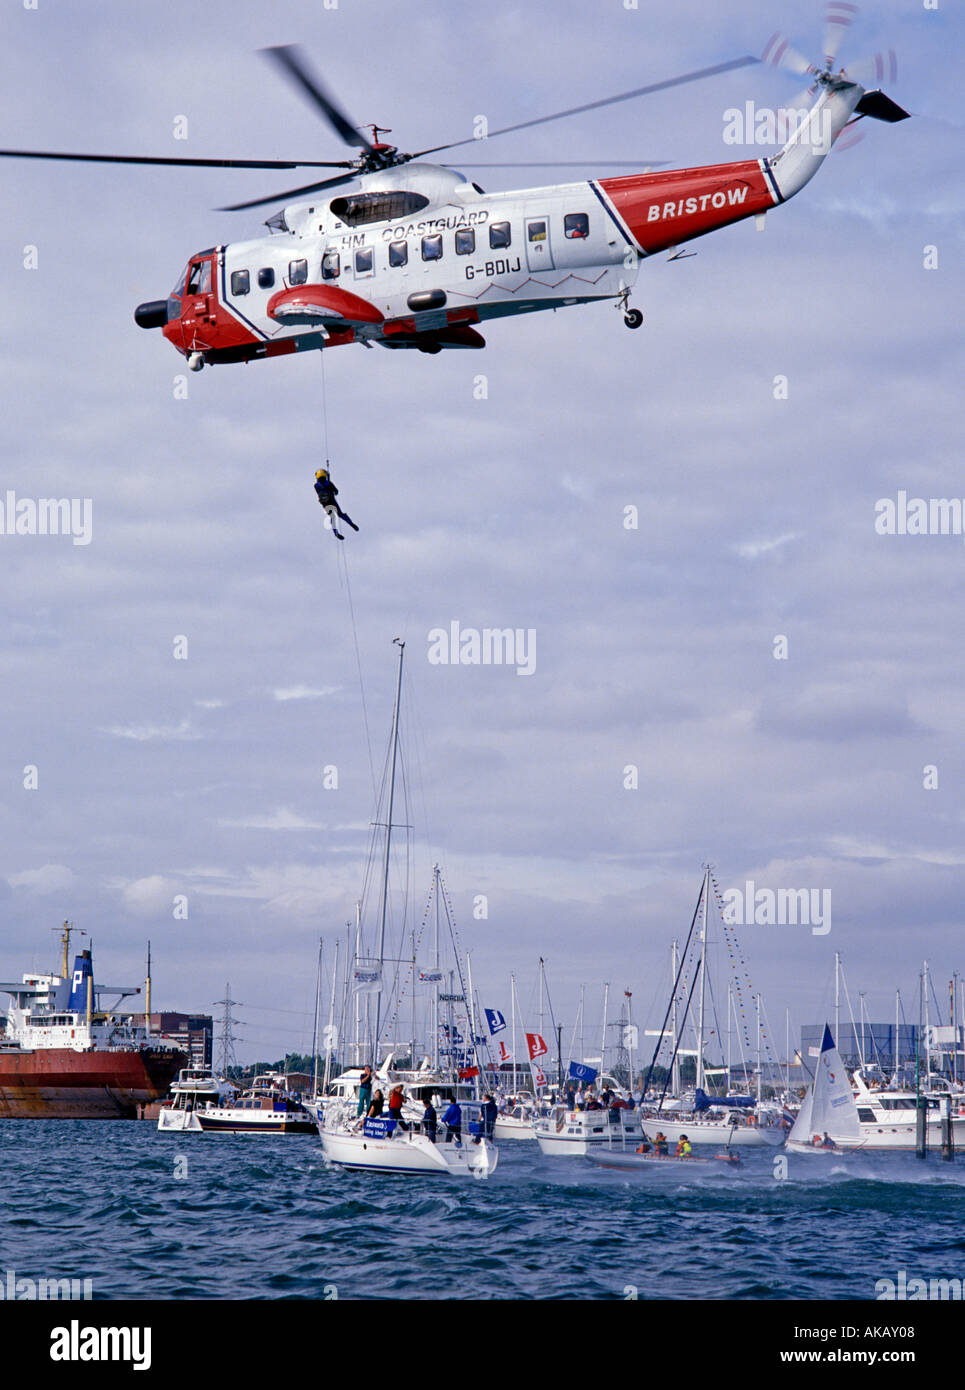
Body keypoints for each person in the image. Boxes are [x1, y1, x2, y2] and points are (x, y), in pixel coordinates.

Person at [314, 468, 358, 540]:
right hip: (332, 500)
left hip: (325, 504)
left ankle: (336, 533)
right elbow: (336, 491)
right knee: (340, 514)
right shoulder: (329, 483)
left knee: (332, 517)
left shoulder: (316, 485)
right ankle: (351, 523)